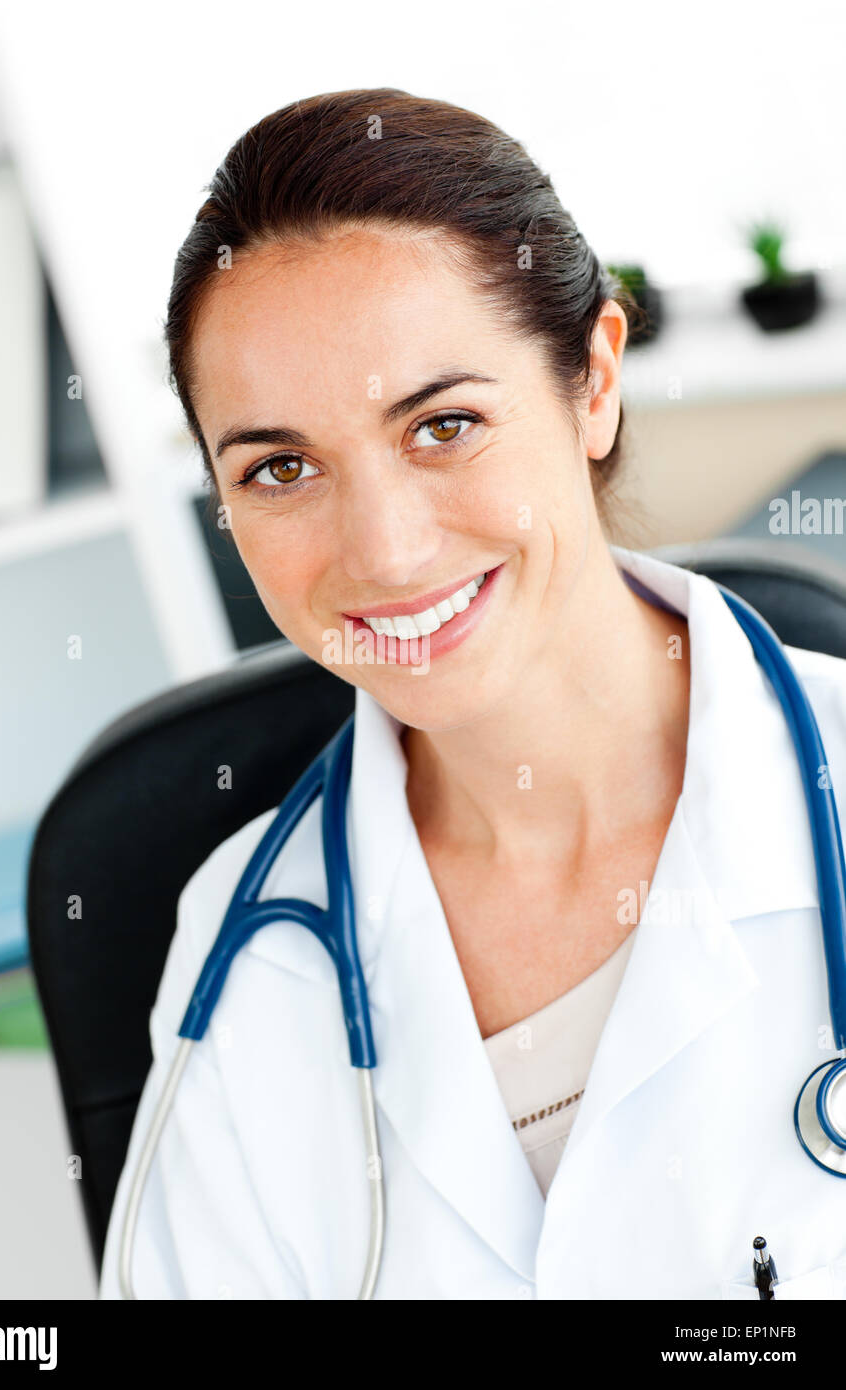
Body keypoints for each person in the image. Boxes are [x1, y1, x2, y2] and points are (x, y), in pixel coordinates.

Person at [99, 88, 846, 1299]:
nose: (384, 552)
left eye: (443, 425)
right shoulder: (243, 955)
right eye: (281, 467)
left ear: (594, 383)